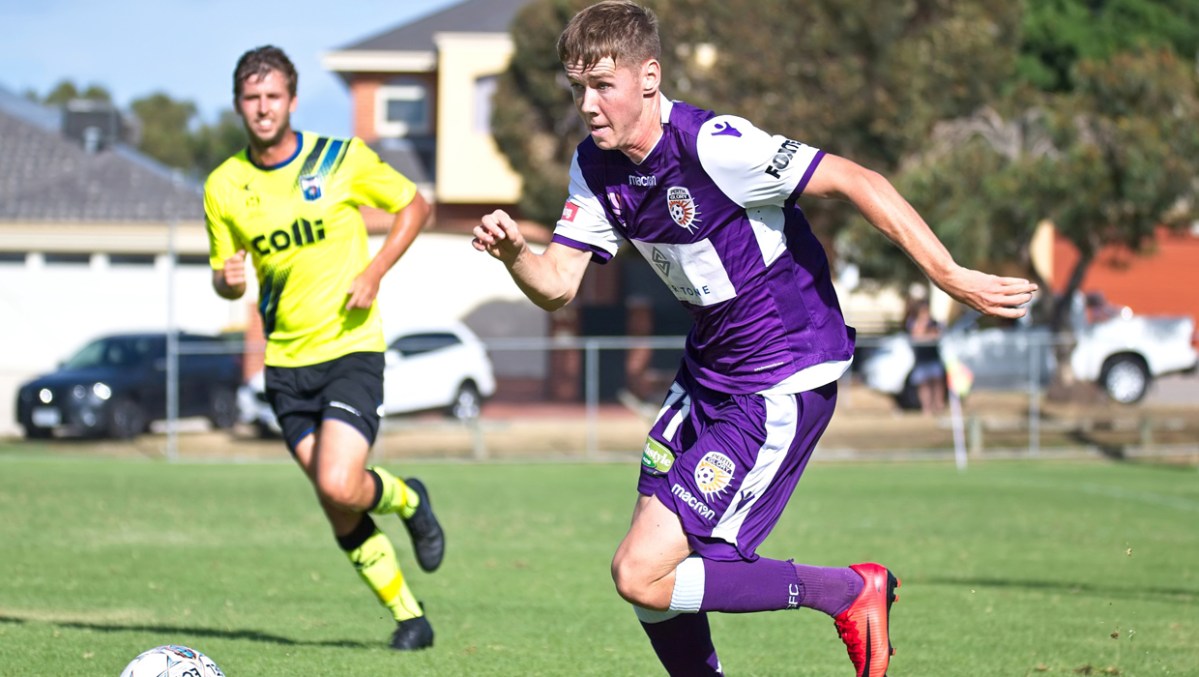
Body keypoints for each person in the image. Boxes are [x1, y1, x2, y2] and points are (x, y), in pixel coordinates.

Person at [471, 2, 1038, 675]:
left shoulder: (715, 146)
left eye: (602, 85)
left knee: (642, 573)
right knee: (647, 571)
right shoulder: (596, 167)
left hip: (778, 378)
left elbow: (857, 179)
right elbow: (558, 285)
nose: (587, 105)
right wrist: (516, 255)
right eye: (577, 88)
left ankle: (847, 592)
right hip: (707, 375)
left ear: (649, 78)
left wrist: (949, 275)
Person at [203, 45, 444, 651]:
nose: (263, 108)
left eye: (273, 96)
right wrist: (225, 280)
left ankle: (409, 498)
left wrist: (375, 271)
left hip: (349, 351)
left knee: (339, 484)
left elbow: (416, 205)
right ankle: (410, 619)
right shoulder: (223, 185)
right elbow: (224, 275)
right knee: (337, 502)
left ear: (291, 100)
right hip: (284, 366)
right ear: (238, 105)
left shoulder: (339, 159)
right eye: (252, 98)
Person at [905, 298, 946, 415]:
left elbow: (936, 335)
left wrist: (926, 335)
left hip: (933, 357)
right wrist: (925, 332)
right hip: (921, 359)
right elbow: (916, 336)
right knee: (924, 384)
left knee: (937, 383)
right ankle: (926, 408)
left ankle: (938, 406)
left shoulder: (934, 323)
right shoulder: (913, 322)